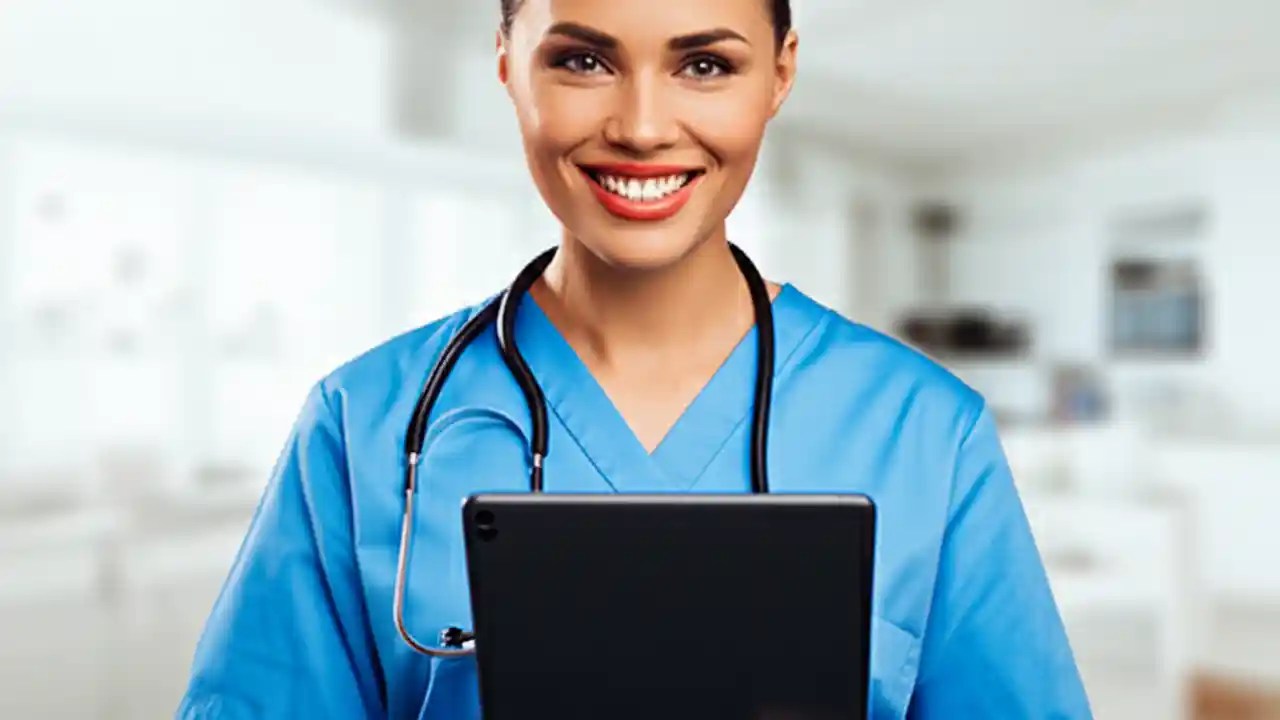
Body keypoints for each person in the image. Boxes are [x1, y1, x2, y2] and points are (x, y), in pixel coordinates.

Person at [177, 0, 1092, 717]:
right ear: (506, 63)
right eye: (582, 60)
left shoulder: (926, 431)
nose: (644, 127)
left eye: (705, 64)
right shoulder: (362, 425)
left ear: (779, 75)